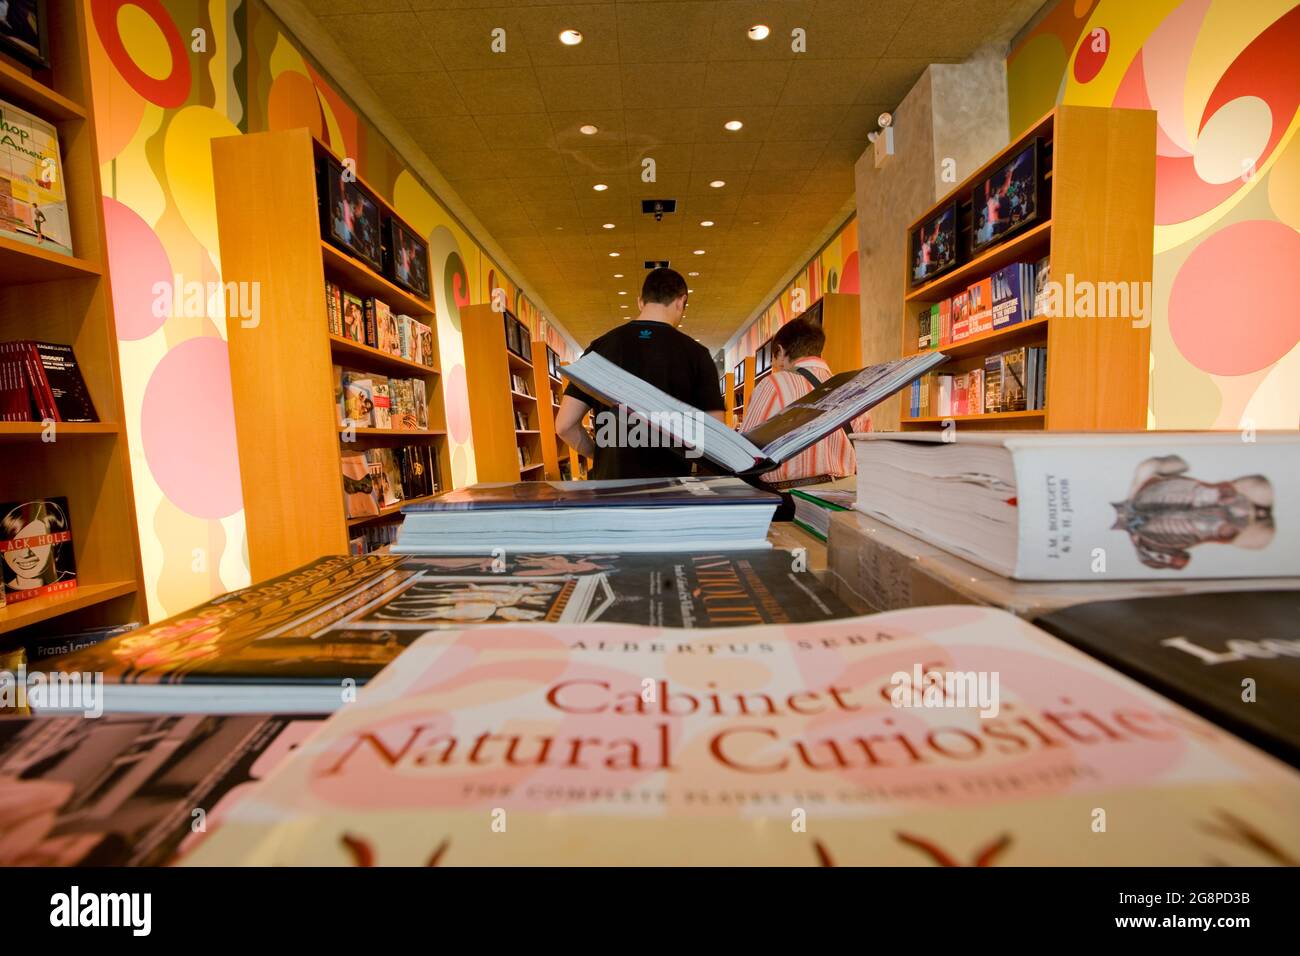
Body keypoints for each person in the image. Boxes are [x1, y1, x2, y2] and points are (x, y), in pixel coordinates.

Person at [556, 268, 725, 479]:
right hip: (671, 490)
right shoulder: (697, 354)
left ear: (640, 302)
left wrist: (600, 455)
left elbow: (564, 425)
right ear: (681, 301)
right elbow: (715, 436)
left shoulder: (600, 347)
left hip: (612, 489)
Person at [740, 316, 871, 488]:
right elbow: (867, 454)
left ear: (780, 351)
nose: (775, 365)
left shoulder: (774, 384)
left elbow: (745, 450)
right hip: (846, 494)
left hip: (792, 496)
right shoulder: (854, 388)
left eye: (774, 358)